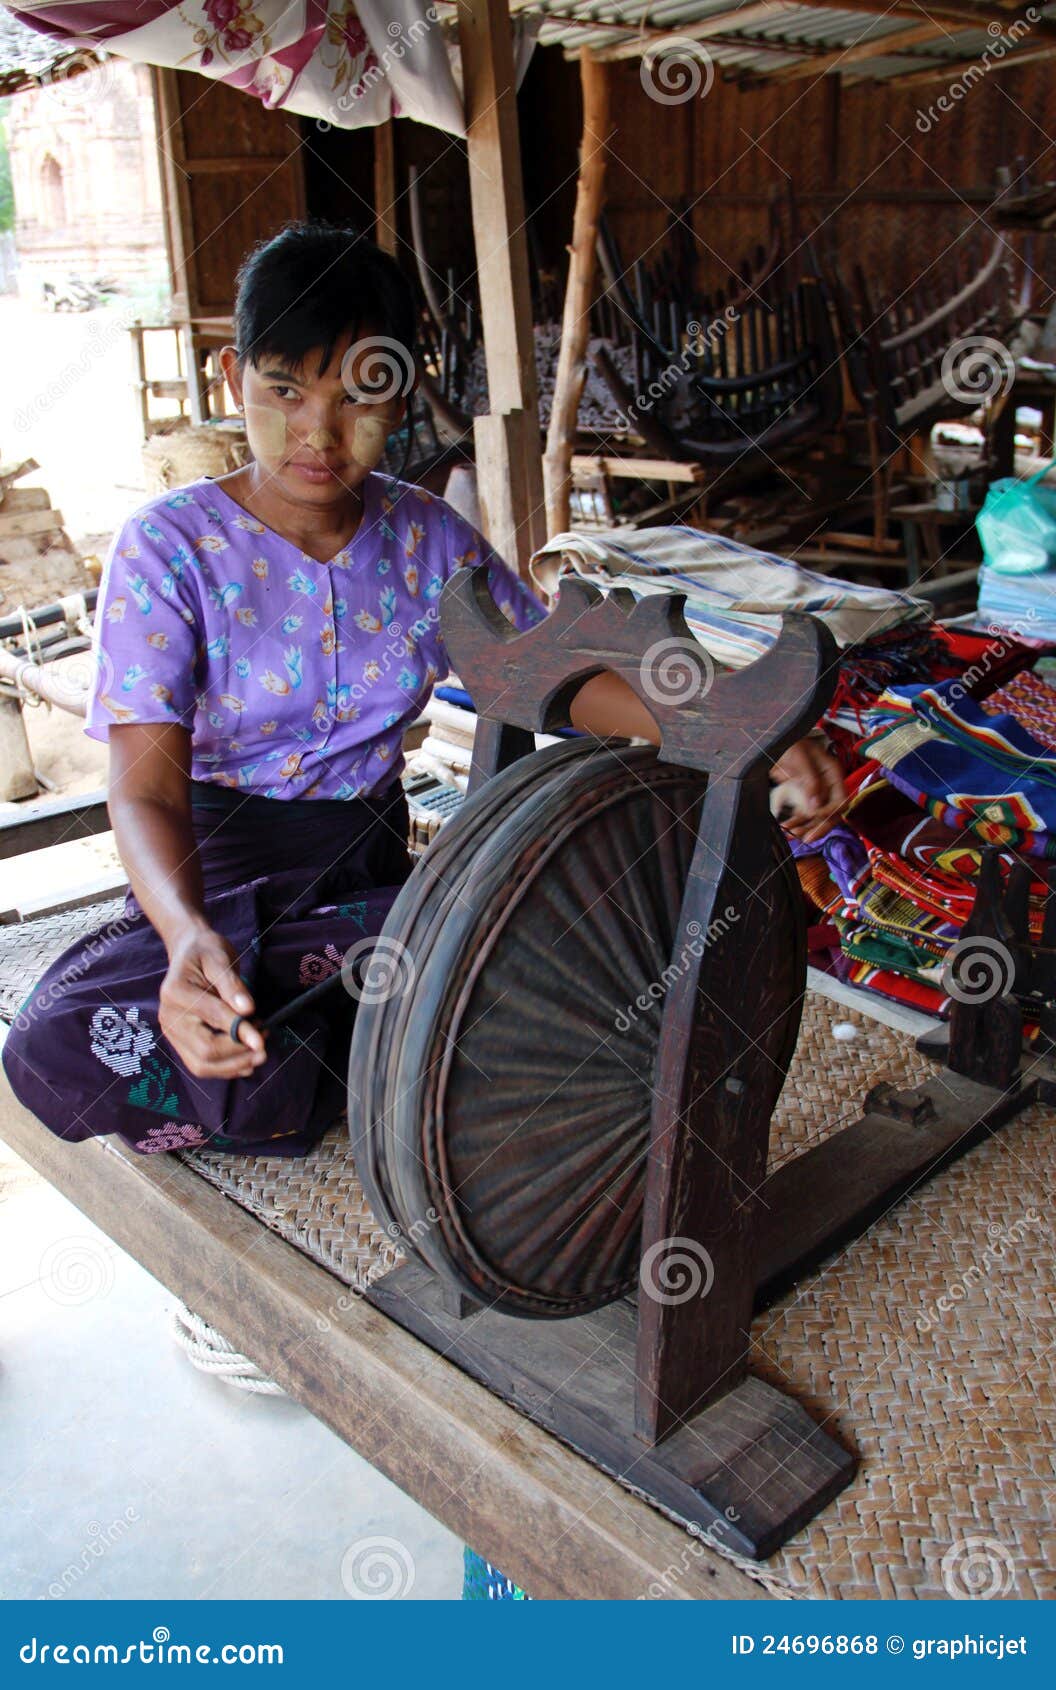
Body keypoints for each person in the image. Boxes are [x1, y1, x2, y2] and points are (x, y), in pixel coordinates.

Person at [2, 221, 844, 1160]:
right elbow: (144, 788)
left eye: (359, 396)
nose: (318, 434)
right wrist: (187, 935)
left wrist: (738, 726)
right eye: (284, 391)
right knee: (50, 1047)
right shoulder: (169, 549)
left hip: (367, 888)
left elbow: (553, 682)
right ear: (232, 379)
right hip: (214, 878)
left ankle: (346, 1055)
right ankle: (381, 1058)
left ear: (401, 396)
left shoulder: (426, 541)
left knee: (524, 946)